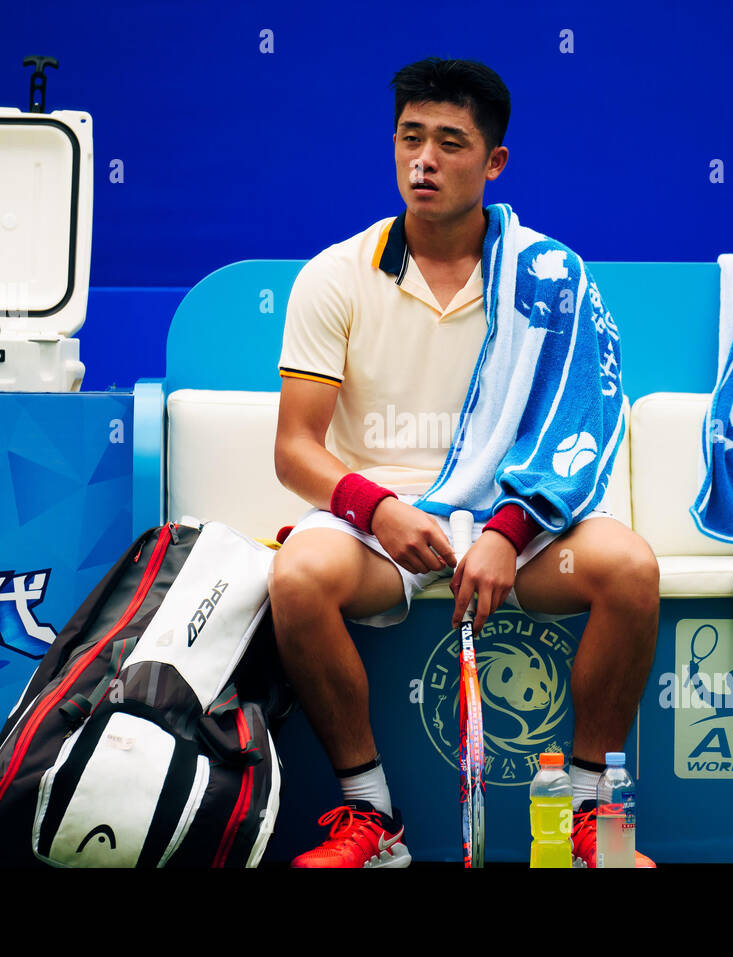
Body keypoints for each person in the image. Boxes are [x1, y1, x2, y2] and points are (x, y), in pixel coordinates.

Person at [270, 56, 659, 868]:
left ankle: (594, 822)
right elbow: (297, 450)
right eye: (411, 138)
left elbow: (576, 428)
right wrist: (377, 508)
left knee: (628, 566)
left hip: (522, 525)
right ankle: (371, 818)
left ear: (494, 163)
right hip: (384, 531)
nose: (425, 160)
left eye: (451, 143)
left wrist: (508, 531)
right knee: (298, 576)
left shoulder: (551, 278)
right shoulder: (333, 276)